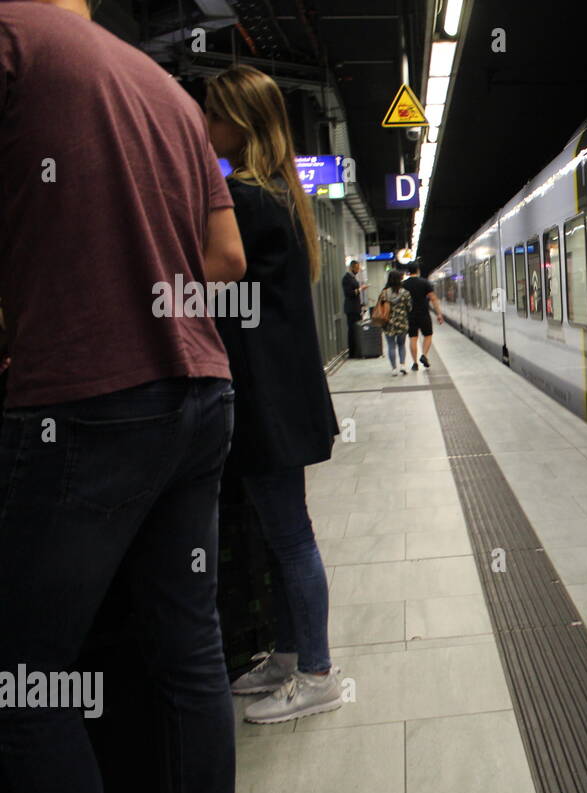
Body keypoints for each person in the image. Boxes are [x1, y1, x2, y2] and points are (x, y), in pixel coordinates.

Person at [0, 0, 245, 793]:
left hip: (88, 396)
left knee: (26, 677)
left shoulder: (13, 39)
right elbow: (225, 258)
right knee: (190, 647)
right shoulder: (170, 94)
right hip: (199, 391)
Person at [204, 65, 342, 723]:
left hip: (267, 398)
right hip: (281, 395)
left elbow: (219, 286)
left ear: (240, 122)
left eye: (213, 115)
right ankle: (289, 655)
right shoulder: (278, 197)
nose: (205, 127)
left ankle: (317, 673)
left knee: (289, 535)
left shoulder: (245, 201)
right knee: (282, 529)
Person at [402, 262, 444, 371]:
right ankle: (424, 355)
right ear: (418, 270)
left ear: (408, 271)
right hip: (424, 314)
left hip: (410, 315)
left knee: (413, 338)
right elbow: (433, 298)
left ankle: (415, 363)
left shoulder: (403, 284)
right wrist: (439, 314)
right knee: (428, 335)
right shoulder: (425, 283)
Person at [376, 271, 412, 376]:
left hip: (388, 323)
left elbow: (380, 307)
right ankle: (403, 366)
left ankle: (394, 369)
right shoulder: (405, 293)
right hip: (402, 323)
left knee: (391, 346)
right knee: (401, 345)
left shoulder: (384, 293)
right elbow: (409, 307)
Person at [342, 259, 366, 349]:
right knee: (352, 329)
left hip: (355, 308)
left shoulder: (352, 278)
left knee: (356, 329)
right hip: (351, 309)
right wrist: (360, 289)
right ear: (352, 267)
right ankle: (352, 350)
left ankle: (357, 348)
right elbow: (349, 293)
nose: (358, 270)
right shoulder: (347, 278)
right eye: (357, 268)